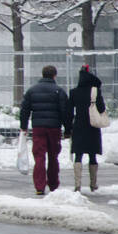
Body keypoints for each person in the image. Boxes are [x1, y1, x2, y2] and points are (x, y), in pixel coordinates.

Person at [19, 65, 72, 196]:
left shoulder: (32, 91)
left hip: (38, 128)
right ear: (55, 75)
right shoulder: (59, 91)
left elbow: (24, 110)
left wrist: (24, 126)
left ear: (42, 75)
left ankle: (39, 186)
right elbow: (65, 112)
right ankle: (53, 185)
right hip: (54, 128)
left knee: (39, 156)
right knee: (53, 156)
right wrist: (67, 129)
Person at [69, 65, 107, 192]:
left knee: (78, 155)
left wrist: (68, 128)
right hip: (92, 126)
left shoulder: (74, 92)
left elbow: (69, 111)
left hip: (79, 126)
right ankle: (93, 184)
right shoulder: (95, 91)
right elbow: (101, 108)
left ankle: (77, 184)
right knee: (92, 155)